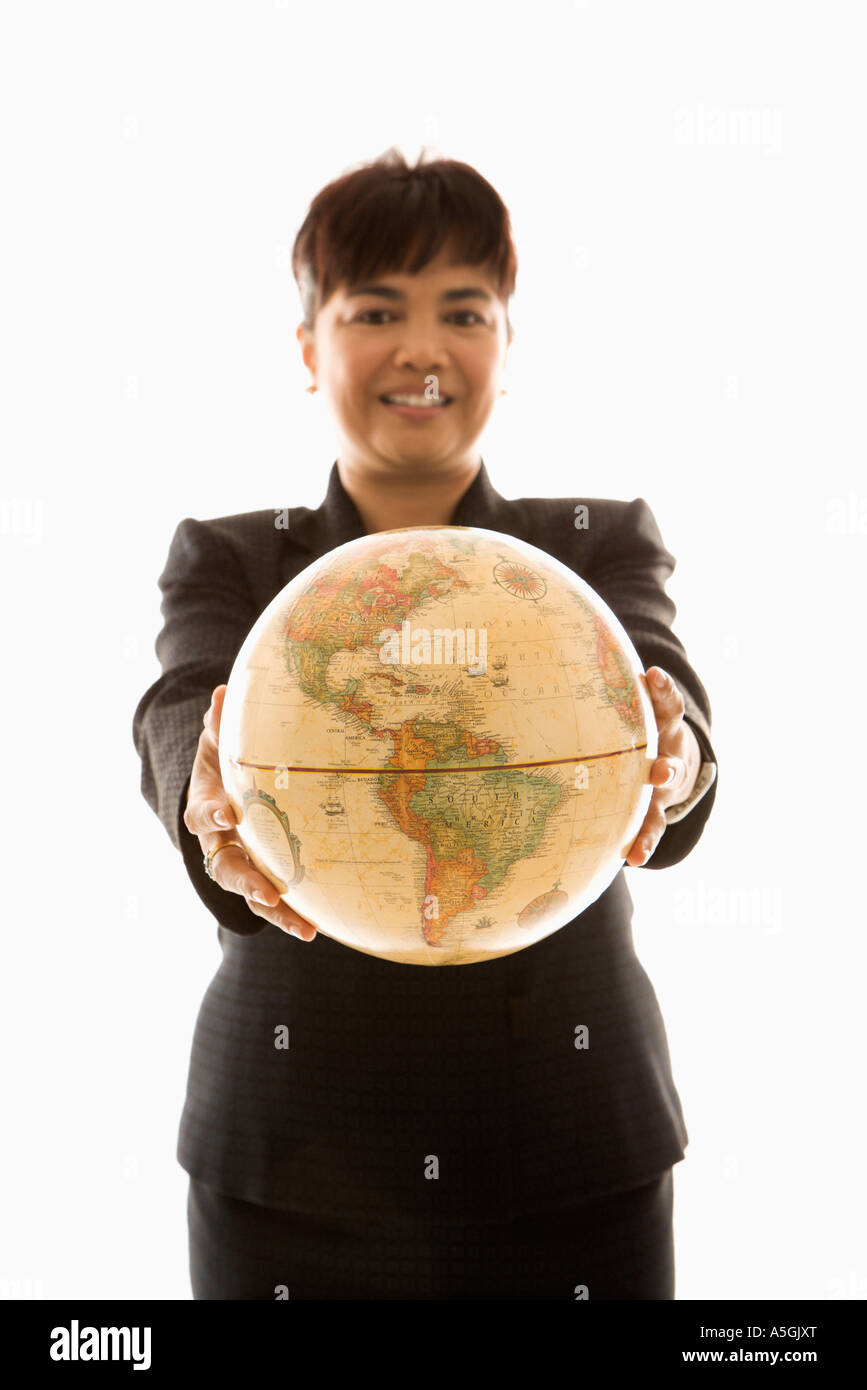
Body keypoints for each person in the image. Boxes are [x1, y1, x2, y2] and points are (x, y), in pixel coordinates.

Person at [132, 149, 718, 1300]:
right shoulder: (234, 554)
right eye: (375, 310)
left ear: (506, 343)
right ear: (310, 348)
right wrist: (199, 792)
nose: (420, 347)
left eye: (464, 310)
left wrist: (679, 745)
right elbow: (178, 705)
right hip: (297, 1166)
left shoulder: (592, 542)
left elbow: (662, 676)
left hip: (569, 1154)